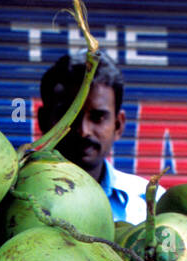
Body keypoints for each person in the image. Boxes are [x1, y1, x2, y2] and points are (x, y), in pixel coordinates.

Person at [36, 51, 151, 224]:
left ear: (118, 126)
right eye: (70, 116)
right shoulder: (14, 202)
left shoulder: (149, 205)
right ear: (44, 121)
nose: (83, 131)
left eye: (98, 117)